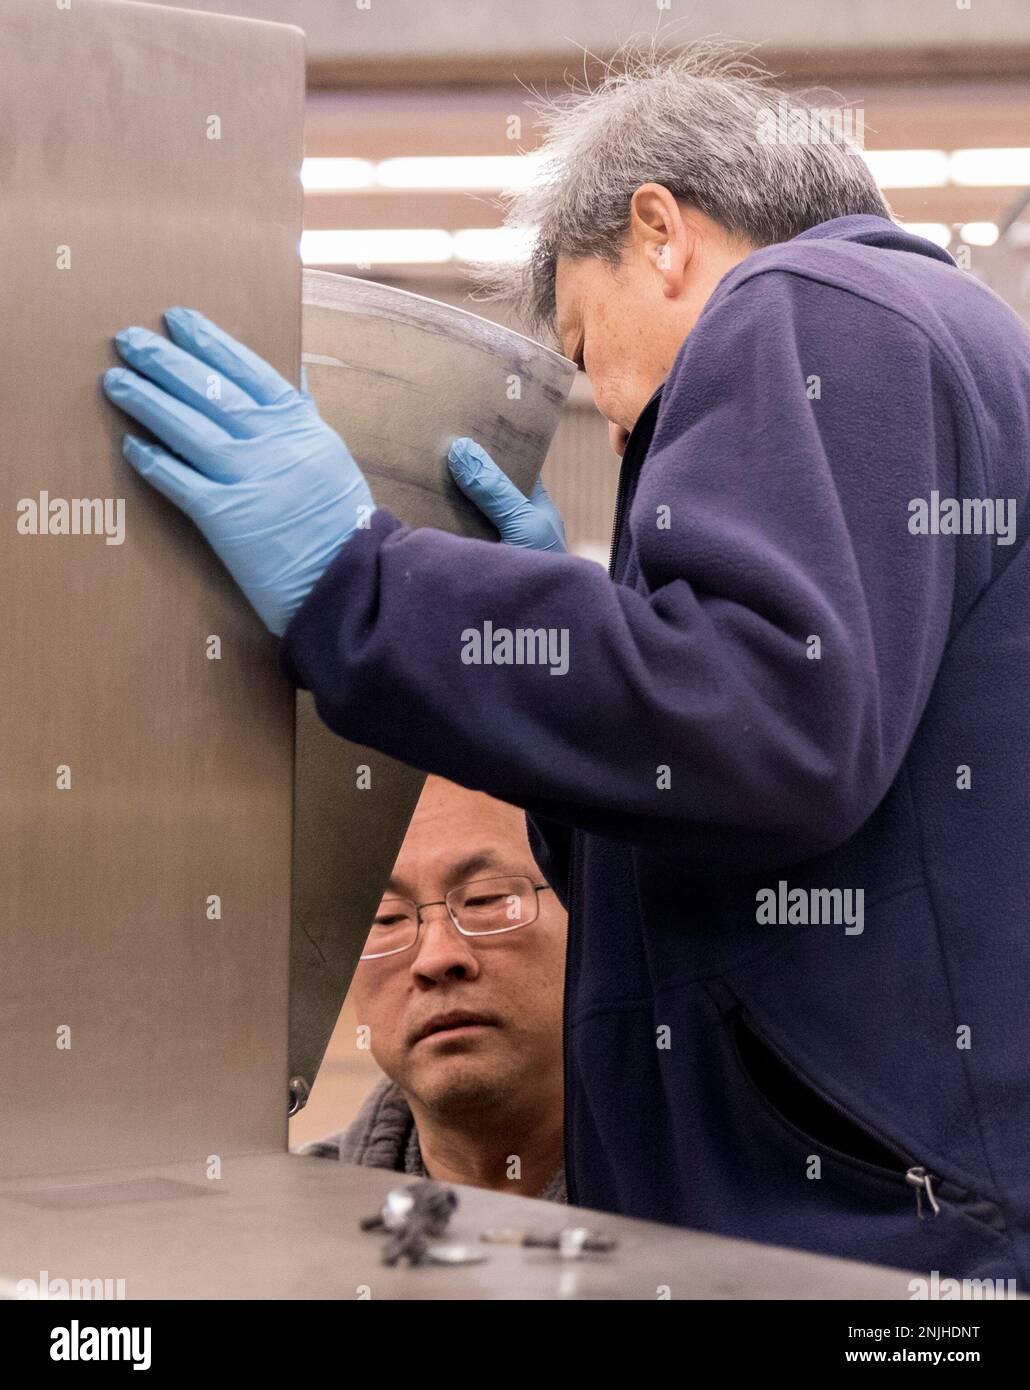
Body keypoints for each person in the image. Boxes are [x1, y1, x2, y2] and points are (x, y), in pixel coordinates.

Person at [102, 43, 1030, 1286]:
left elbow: (766, 726)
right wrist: (569, 625)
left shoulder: (813, 302)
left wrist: (364, 581)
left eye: (587, 345)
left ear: (660, 231)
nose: (604, 411)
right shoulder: (936, 349)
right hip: (875, 1216)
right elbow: (740, 793)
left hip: (862, 1231)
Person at [297, 774, 567, 1203]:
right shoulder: (291, 1236)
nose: (436, 958)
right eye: (385, 918)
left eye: (486, 899)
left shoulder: (698, 1211)